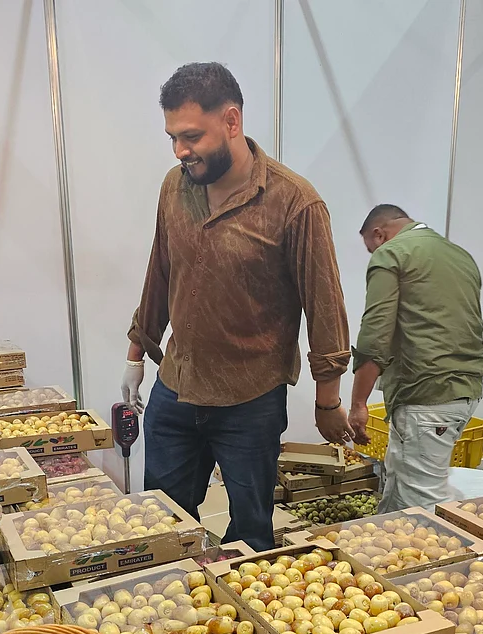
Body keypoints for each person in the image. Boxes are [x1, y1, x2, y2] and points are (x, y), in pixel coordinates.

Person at [123, 62, 352, 550]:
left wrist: (328, 400)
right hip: (177, 388)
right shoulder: (174, 187)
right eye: (172, 138)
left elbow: (325, 306)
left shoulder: (295, 203)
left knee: (250, 534)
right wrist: (137, 352)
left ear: (231, 121)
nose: (180, 151)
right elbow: (160, 271)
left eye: (191, 136)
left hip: (251, 399)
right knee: (163, 527)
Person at [349, 204, 483, 511]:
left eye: (371, 248)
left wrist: (358, 404)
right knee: (399, 489)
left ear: (379, 234)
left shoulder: (392, 254)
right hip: (464, 391)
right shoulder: (460, 256)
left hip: (426, 396)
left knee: (425, 507)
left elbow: (375, 335)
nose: (373, 254)